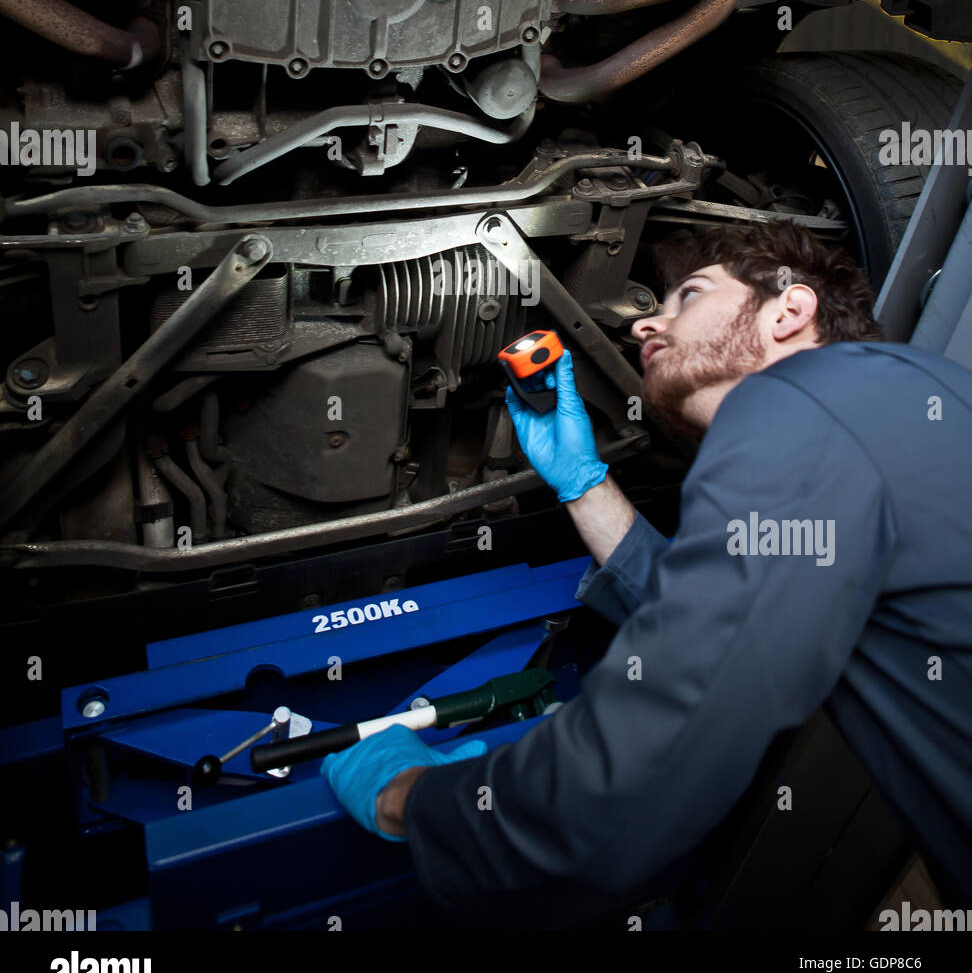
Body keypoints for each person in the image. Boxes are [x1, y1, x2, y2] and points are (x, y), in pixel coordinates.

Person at [321, 221, 972, 924]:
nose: (645, 327)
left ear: (790, 309)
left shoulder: (804, 400)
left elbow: (612, 802)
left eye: (687, 295)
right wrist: (580, 481)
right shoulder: (888, 404)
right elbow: (723, 627)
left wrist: (410, 799)